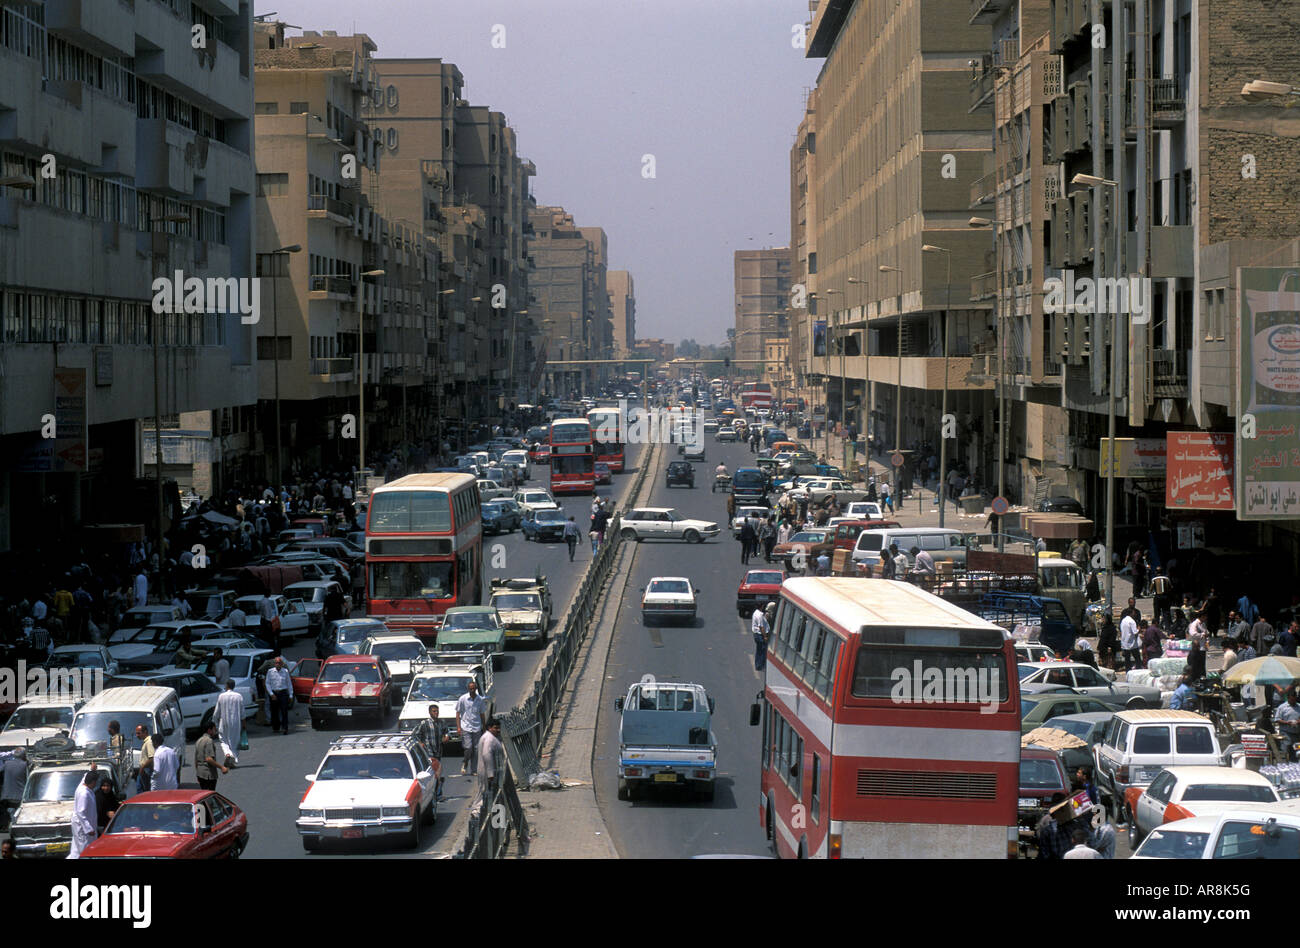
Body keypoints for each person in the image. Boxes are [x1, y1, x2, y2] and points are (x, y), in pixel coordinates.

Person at [456, 679, 488, 776]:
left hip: (477, 727)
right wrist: (458, 727)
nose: (472, 690)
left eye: (473, 689)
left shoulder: (480, 700)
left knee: (476, 749)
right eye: (470, 689)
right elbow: (458, 713)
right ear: (468, 689)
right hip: (466, 726)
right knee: (468, 748)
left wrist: (484, 727)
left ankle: (474, 769)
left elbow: (482, 714)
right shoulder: (463, 699)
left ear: (476, 689)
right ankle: (465, 763)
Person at [414, 706, 445, 801]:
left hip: (438, 751)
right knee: (433, 774)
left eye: (437, 711)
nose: (436, 713)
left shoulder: (441, 723)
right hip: (429, 752)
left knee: (438, 773)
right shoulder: (424, 723)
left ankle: (437, 794)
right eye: (434, 711)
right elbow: (415, 734)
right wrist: (420, 743)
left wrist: (446, 737)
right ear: (430, 712)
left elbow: (446, 732)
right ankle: (436, 794)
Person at [68, 770, 98, 859]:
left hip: (81, 827)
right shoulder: (84, 793)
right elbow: (81, 812)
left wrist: (92, 770)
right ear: (92, 782)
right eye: (95, 782)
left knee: (76, 852)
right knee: (85, 851)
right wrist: (88, 828)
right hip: (83, 829)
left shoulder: (81, 786)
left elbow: (85, 777)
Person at [477, 717, 505, 804]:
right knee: (485, 794)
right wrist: (490, 774)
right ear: (489, 728)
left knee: (486, 793)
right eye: (496, 728)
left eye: (499, 728)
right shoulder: (489, 739)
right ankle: (477, 812)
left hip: (489, 771)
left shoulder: (490, 737)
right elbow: (486, 754)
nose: (498, 730)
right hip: (487, 772)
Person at [195, 719, 228, 791]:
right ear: (209, 730)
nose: (215, 731)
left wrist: (197, 773)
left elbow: (196, 761)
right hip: (208, 774)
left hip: (200, 773)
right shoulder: (209, 741)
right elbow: (209, 759)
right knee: (210, 795)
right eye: (214, 729)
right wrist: (222, 767)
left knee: (204, 795)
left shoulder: (199, 741)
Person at [216, 680, 243, 765]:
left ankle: (228, 754)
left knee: (223, 740)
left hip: (223, 722)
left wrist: (215, 722)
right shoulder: (239, 696)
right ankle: (233, 757)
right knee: (235, 741)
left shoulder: (221, 696)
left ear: (227, 685)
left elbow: (216, 712)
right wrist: (244, 725)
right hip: (236, 723)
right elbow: (243, 713)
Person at [265, 655, 292, 735]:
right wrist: (271, 694)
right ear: (274, 664)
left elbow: (289, 683)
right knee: (274, 712)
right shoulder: (270, 672)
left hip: (283, 693)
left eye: (279, 663)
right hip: (274, 693)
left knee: (284, 711)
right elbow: (267, 683)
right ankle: (276, 727)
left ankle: (285, 728)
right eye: (276, 663)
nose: (278, 664)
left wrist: (291, 695)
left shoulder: (285, 671)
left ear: (281, 664)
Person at [0, 749, 25, 831]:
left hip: (7, 794)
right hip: (20, 795)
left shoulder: (7, 764)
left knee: (9, 810)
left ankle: (7, 825)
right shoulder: (25, 765)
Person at [134, 725, 156, 795]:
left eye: (139, 733)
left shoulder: (149, 742)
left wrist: (143, 767)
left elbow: (152, 758)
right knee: (139, 789)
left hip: (146, 770)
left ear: (145, 732)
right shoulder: (145, 742)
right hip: (143, 770)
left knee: (144, 792)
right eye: (136, 733)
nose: (137, 735)